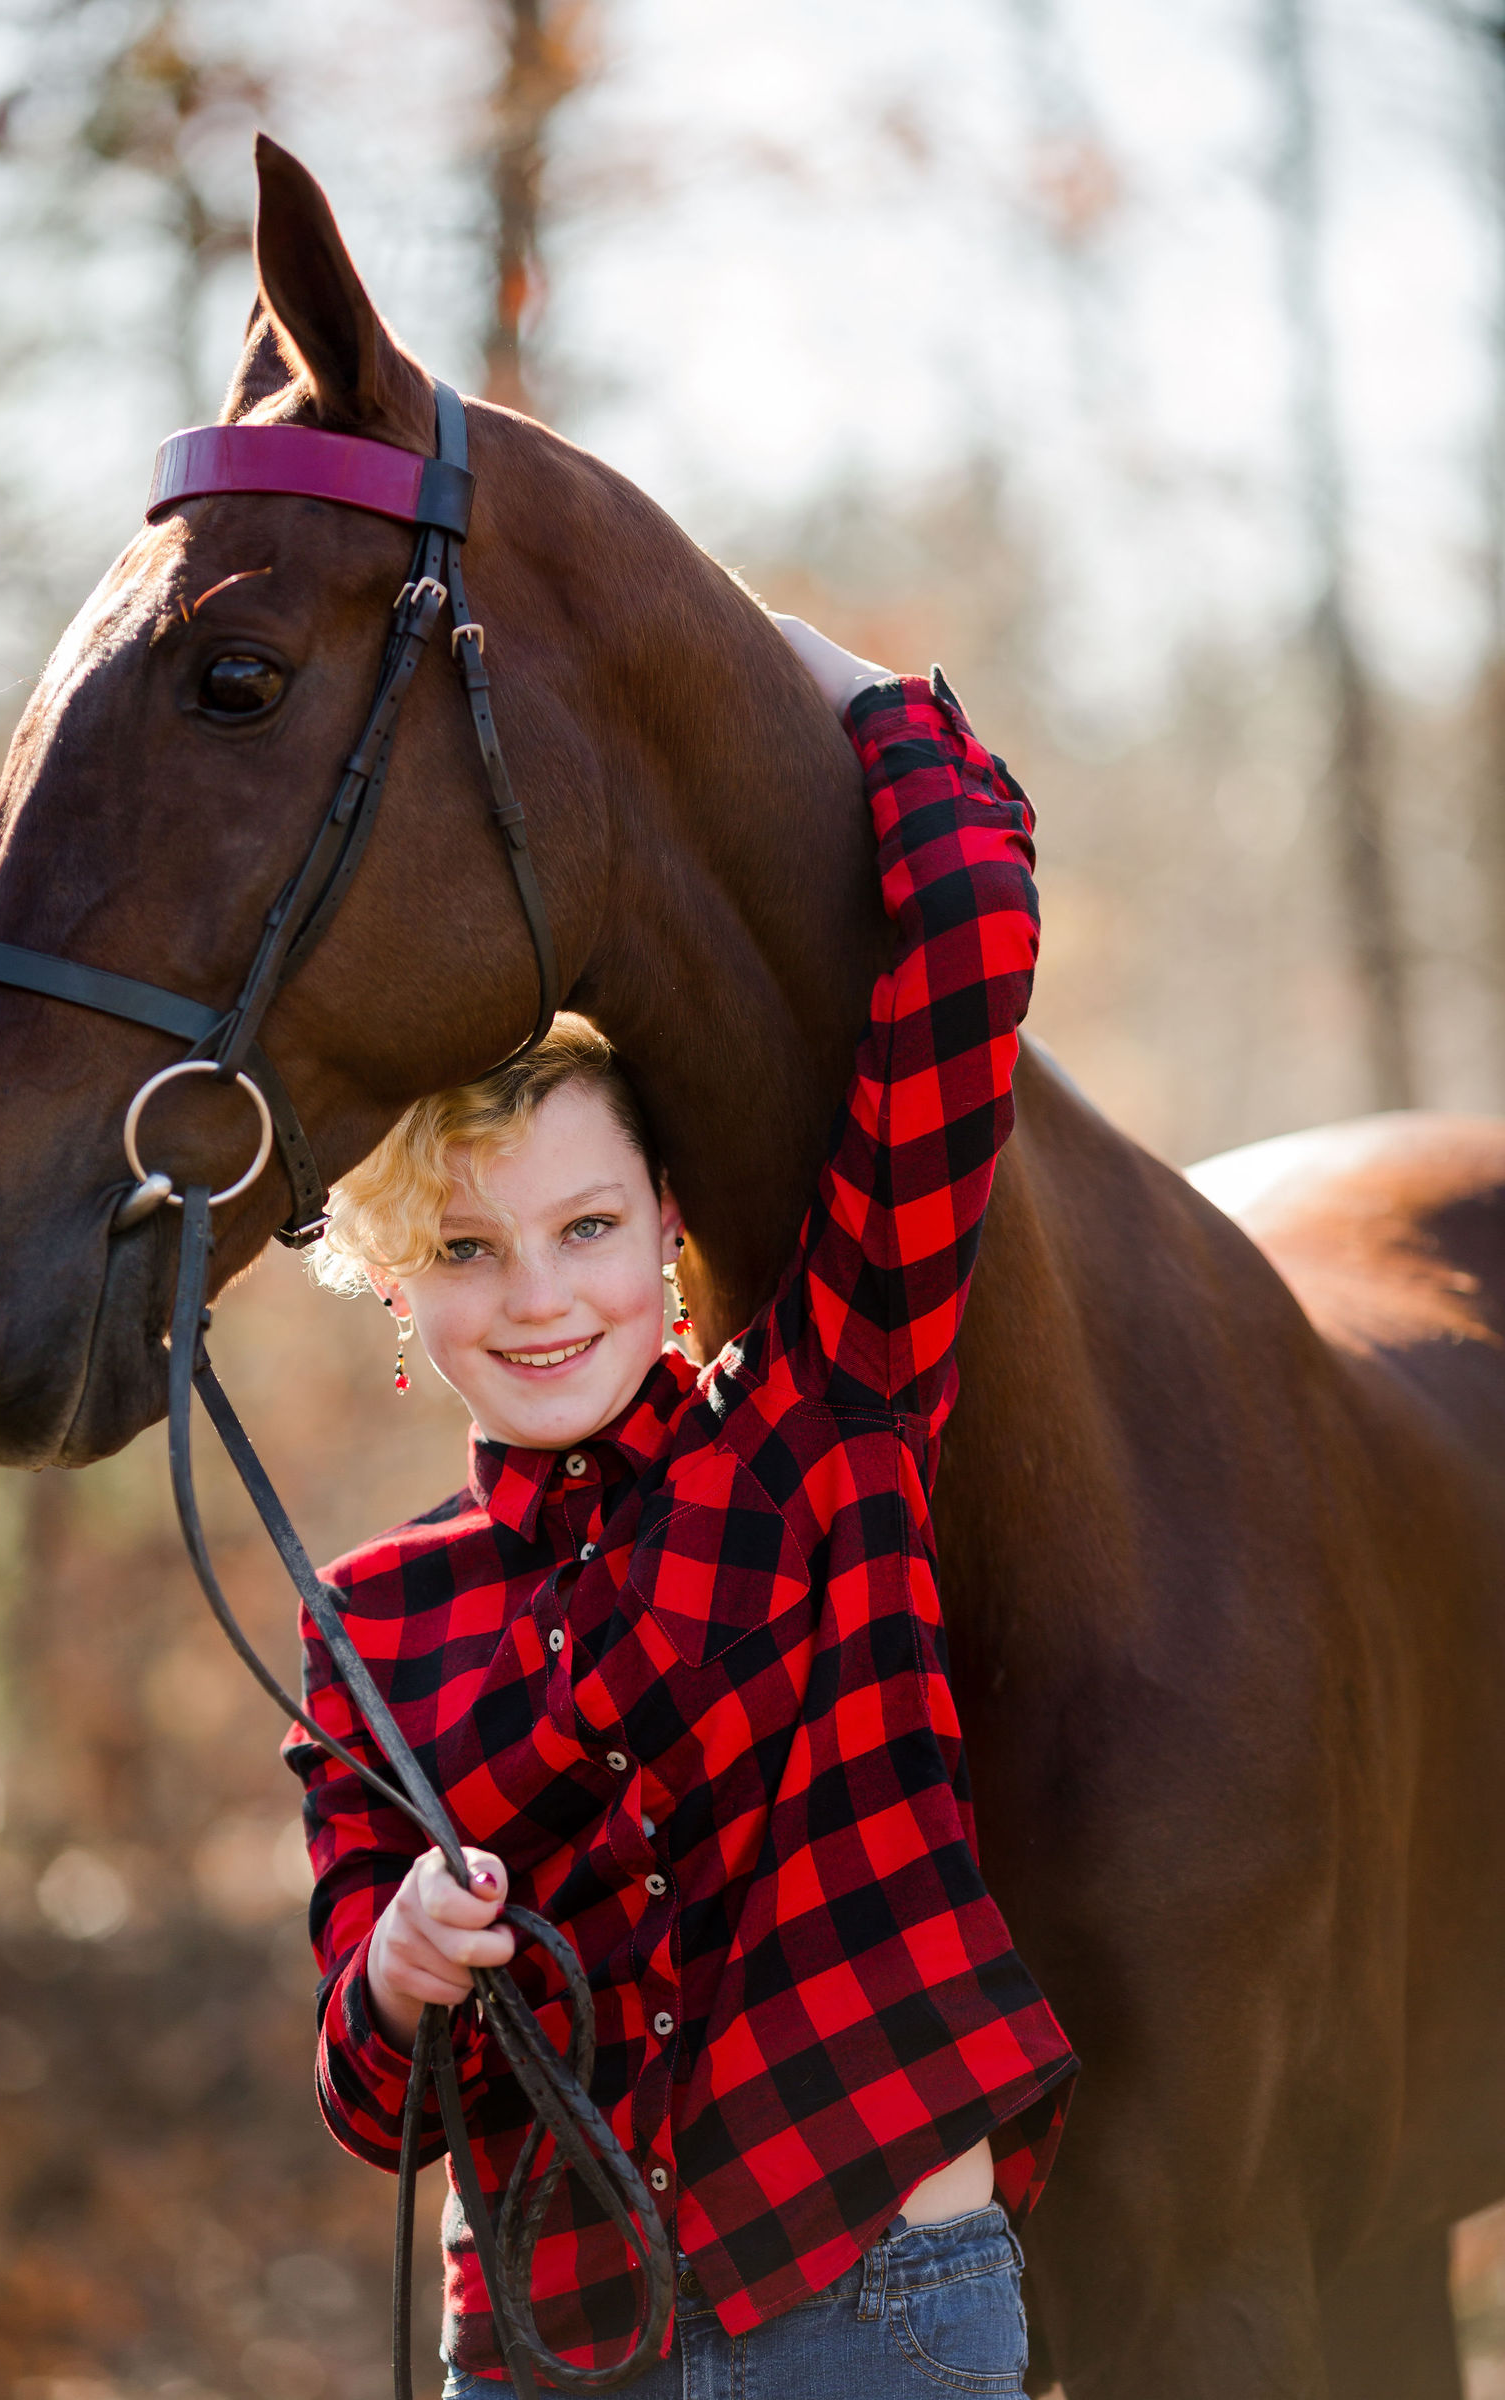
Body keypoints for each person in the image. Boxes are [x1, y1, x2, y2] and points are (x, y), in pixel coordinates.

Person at [286, 616, 1078, 2400]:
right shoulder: (370, 1621)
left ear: (668, 1236)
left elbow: (969, 940)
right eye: (470, 1252)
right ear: (404, 1287)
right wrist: (401, 1966)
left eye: (584, 1229)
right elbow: (367, 2096)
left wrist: (806, 662)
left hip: (879, 2302)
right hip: (552, 2347)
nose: (539, 1295)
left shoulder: (823, 1418)